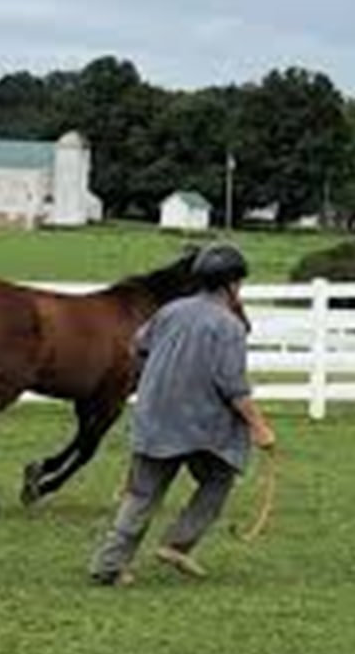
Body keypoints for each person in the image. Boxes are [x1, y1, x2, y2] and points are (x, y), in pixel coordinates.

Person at [89, 243, 275, 586]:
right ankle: (177, 543)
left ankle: (109, 566)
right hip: (203, 426)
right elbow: (233, 385)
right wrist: (259, 427)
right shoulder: (229, 326)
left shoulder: (170, 311)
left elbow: (138, 347)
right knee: (218, 478)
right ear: (232, 285)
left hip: (155, 417)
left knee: (142, 495)